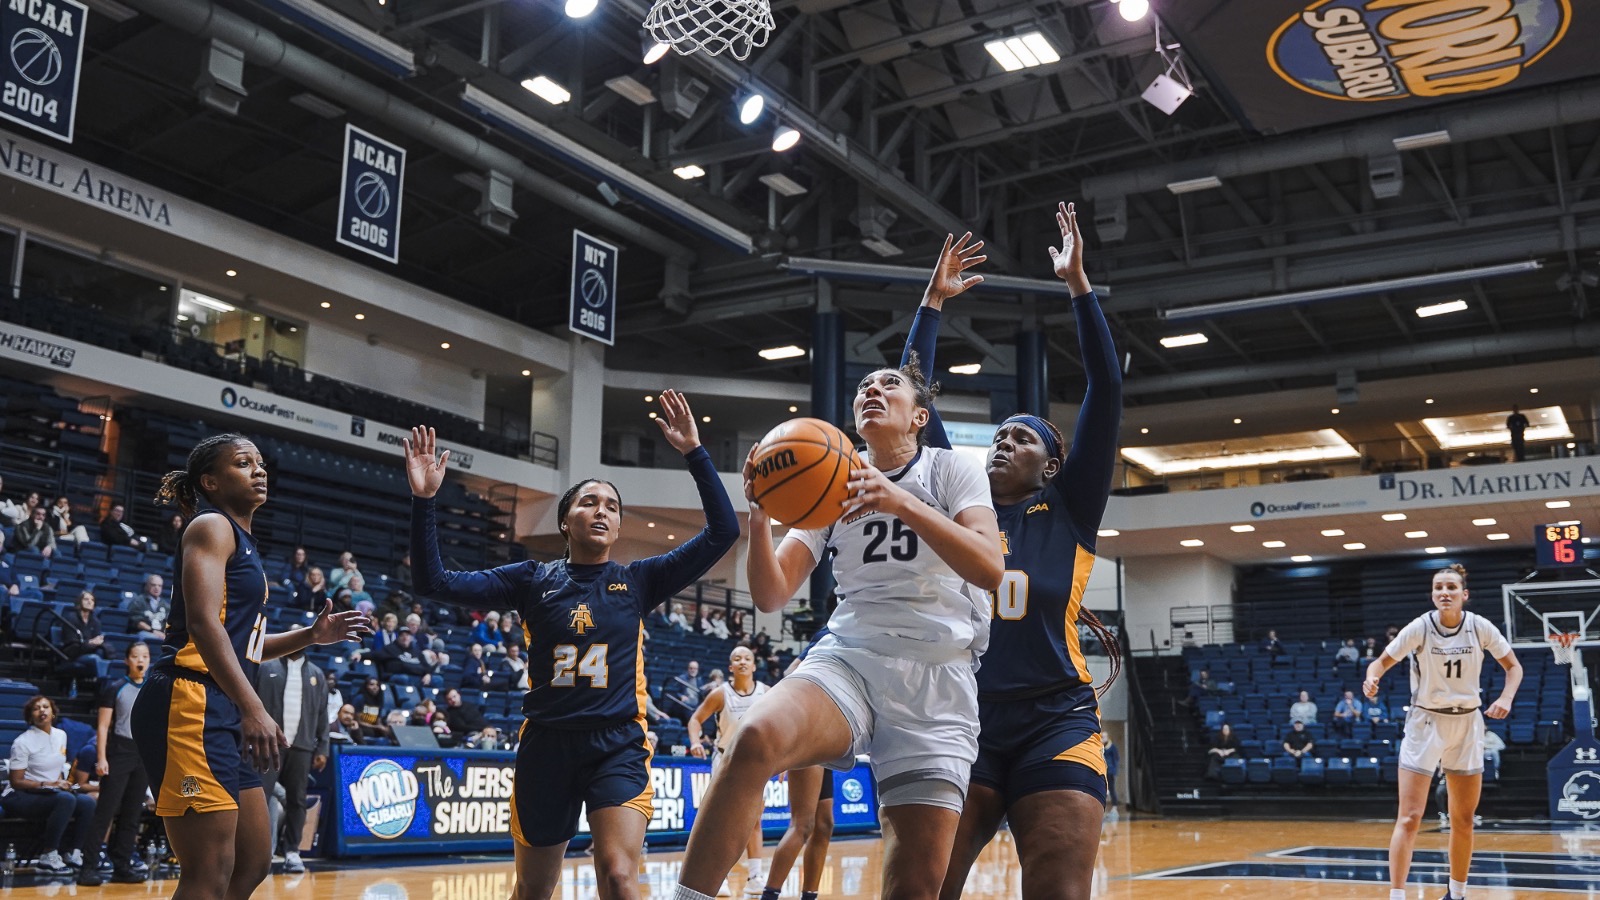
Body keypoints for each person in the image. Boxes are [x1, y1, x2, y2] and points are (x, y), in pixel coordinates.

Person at [669, 266, 1005, 900]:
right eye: (864, 386)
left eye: (889, 386)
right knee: (756, 735)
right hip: (852, 658)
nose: (873, 390)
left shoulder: (952, 469)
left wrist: (900, 502)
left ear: (919, 416)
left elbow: (990, 567)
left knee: (914, 887)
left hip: (938, 686)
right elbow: (772, 594)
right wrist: (761, 517)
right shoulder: (835, 481)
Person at [406, 388, 738, 900]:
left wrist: (695, 452)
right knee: (534, 890)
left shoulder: (641, 580)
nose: (601, 511)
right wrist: (425, 502)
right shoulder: (530, 578)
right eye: (589, 502)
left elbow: (723, 531)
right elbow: (433, 583)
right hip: (547, 745)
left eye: (612, 506)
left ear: (620, 524)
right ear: (566, 521)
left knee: (620, 875)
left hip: (618, 743)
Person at [895, 211, 1123, 900]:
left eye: (1022, 438)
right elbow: (912, 398)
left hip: (1057, 717)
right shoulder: (953, 502)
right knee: (921, 889)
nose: (1003, 441)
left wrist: (1078, 285)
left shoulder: (1072, 507)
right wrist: (931, 303)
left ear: (1052, 466)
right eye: (998, 434)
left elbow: (1106, 391)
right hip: (962, 714)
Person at [127, 433, 370, 900]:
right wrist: (254, 706)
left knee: (253, 861)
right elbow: (202, 624)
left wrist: (310, 636)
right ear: (211, 482)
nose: (259, 470)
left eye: (260, 463)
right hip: (188, 698)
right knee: (209, 870)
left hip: (219, 702)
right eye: (243, 463)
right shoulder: (211, 526)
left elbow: (247, 646)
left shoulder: (243, 541)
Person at [1364, 563, 1522, 900]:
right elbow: (1379, 662)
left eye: (1451, 587)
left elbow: (1513, 667)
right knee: (1409, 816)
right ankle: (1397, 895)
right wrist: (1372, 677)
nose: (1444, 593)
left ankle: (1457, 893)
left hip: (1467, 723)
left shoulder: (1479, 626)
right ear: (1433, 594)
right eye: (1438, 588)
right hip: (1426, 723)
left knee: (1462, 818)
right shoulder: (1421, 626)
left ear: (1464, 594)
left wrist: (1506, 697)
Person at [687, 646, 770, 898]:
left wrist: (782, 762)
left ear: (754, 666)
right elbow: (694, 720)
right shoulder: (721, 694)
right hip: (724, 760)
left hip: (756, 763)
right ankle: (718, 878)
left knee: (754, 820)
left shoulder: (767, 693)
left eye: (747, 658)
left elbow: (776, 730)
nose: (742, 662)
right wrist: (695, 742)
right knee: (721, 822)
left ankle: (755, 876)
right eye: (737, 658)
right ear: (730, 667)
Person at [758, 653, 835, 900]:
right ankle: (769, 896)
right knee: (802, 824)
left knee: (824, 824)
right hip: (809, 732)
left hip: (829, 738)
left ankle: (809, 896)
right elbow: (789, 677)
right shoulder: (827, 636)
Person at [5, 695, 101, 883]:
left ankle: (74, 853)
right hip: (20, 795)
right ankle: (48, 855)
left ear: (53, 712)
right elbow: (16, 781)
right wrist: (47, 785)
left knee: (87, 802)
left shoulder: (60, 735)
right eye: (36, 708)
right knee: (66, 800)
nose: (42, 711)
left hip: (49, 793)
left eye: (45, 707)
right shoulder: (22, 741)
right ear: (30, 716)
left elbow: (56, 770)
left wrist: (61, 783)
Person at [256, 641, 331, 874]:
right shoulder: (266, 666)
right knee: (259, 798)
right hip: (269, 744)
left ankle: (292, 852)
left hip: (302, 746)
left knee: (298, 799)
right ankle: (257, 853)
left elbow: (322, 714)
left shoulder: (316, 674)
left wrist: (323, 748)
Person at [93, 642, 153, 884]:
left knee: (132, 814)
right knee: (106, 811)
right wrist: (101, 757)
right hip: (119, 750)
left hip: (143, 753)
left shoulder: (153, 689)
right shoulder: (115, 688)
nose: (141, 660)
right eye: (136, 656)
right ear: (127, 660)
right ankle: (89, 865)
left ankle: (122, 864)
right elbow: (103, 726)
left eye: (145, 656)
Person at [60, 590, 112, 682]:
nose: (89, 602)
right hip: (74, 654)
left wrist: (95, 643)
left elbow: (97, 641)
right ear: (79, 602)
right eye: (86, 599)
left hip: (89, 652)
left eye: (92, 600)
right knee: (95, 659)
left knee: (101, 653)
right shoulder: (71, 618)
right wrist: (90, 643)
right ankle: (102, 685)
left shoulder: (95, 621)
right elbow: (72, 646)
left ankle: (105, 683)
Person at [371, 629, 436, 685]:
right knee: (403, 678)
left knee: (437, 679)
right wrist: (361, 655)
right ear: (398, 638)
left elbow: (427, 667)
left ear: (411, 638)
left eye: (407, 635)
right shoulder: (390, 649)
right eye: (402, 635)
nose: (405, 638)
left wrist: (428, 674)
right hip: (399, 676)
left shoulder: (417, 651)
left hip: (417, 677)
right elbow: (375, 654)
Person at [128, 574, 171, 641]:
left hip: (161, 634)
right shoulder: (138, 601)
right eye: (153, 585)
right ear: (147, 586)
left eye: (159, 586)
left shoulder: (166, 605)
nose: (157, 588)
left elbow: (169, 624)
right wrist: (153, 631)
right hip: (143, 633)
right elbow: (137, 622)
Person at [1102, 731, 1120, 810]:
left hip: (1110, 771)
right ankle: (1102, 806)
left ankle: (1114, 806)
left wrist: (1114, 770)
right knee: (1103, 789)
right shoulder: (1100, 747)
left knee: (1111, 788)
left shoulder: (1112, 747)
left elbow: (1116, 759)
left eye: (1104, 737)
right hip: (1103, 771)